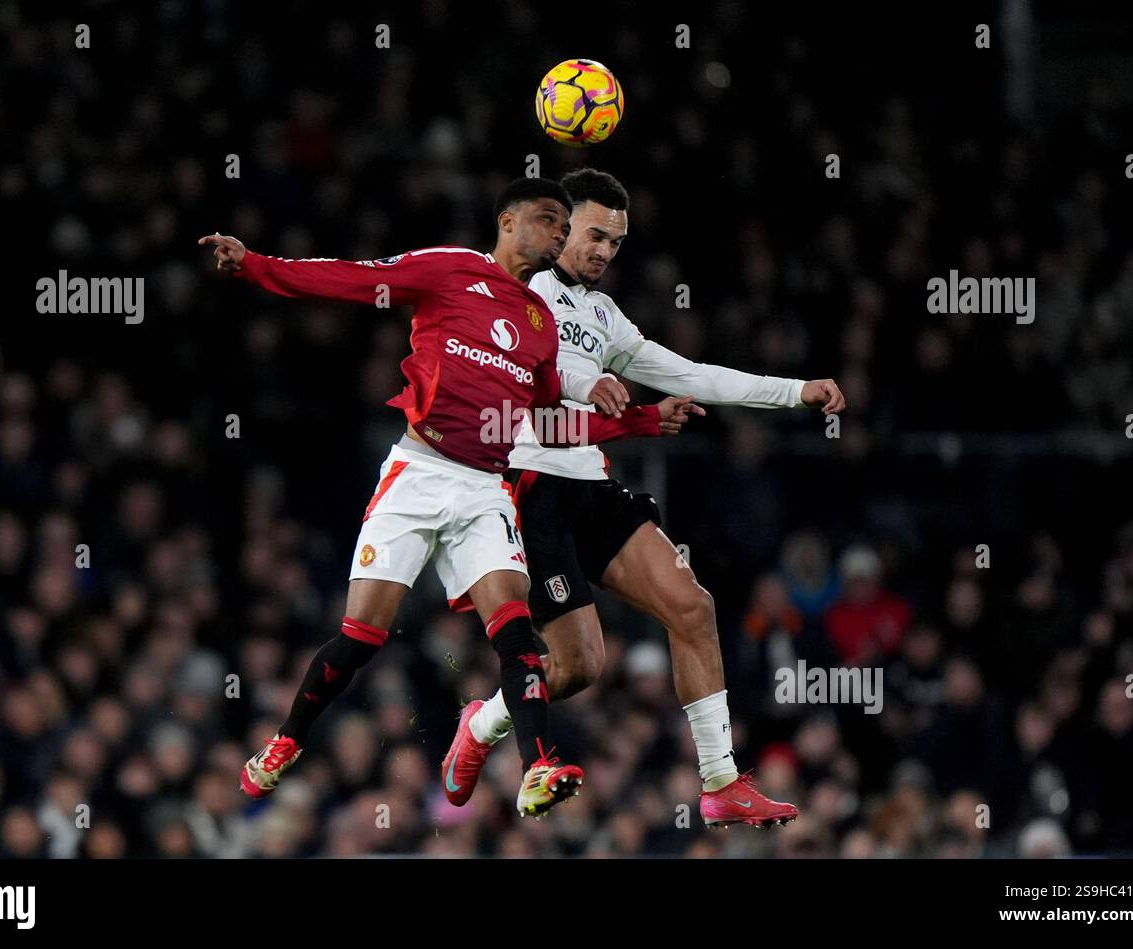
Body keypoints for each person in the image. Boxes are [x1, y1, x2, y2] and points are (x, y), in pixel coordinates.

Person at [198, 177, 702, 818]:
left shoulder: (540, 325)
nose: (559, 233)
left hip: (485, 489)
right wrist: (257, 266)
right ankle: (287, 740)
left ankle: (537, 765)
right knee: (360, 639)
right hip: (418, 471)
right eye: (550, 220)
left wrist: (640, 421)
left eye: (561, 224)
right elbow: (353, 279)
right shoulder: (450, 271)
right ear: (508, 221)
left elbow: (546, 422)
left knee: (517, 634)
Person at [441, 169, 846, 827]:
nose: (604, 251)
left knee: (692, 605)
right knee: (578, 665)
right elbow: (535, 364)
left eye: (617, 242)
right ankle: (483, 722)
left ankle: (720, 782)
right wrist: (586, 379)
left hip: (588, 482)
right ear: (557, 225)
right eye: (595, 234)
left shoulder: (602, 315)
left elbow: (690, 374)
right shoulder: (516, 285)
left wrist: (793, 390)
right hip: (522, 489)